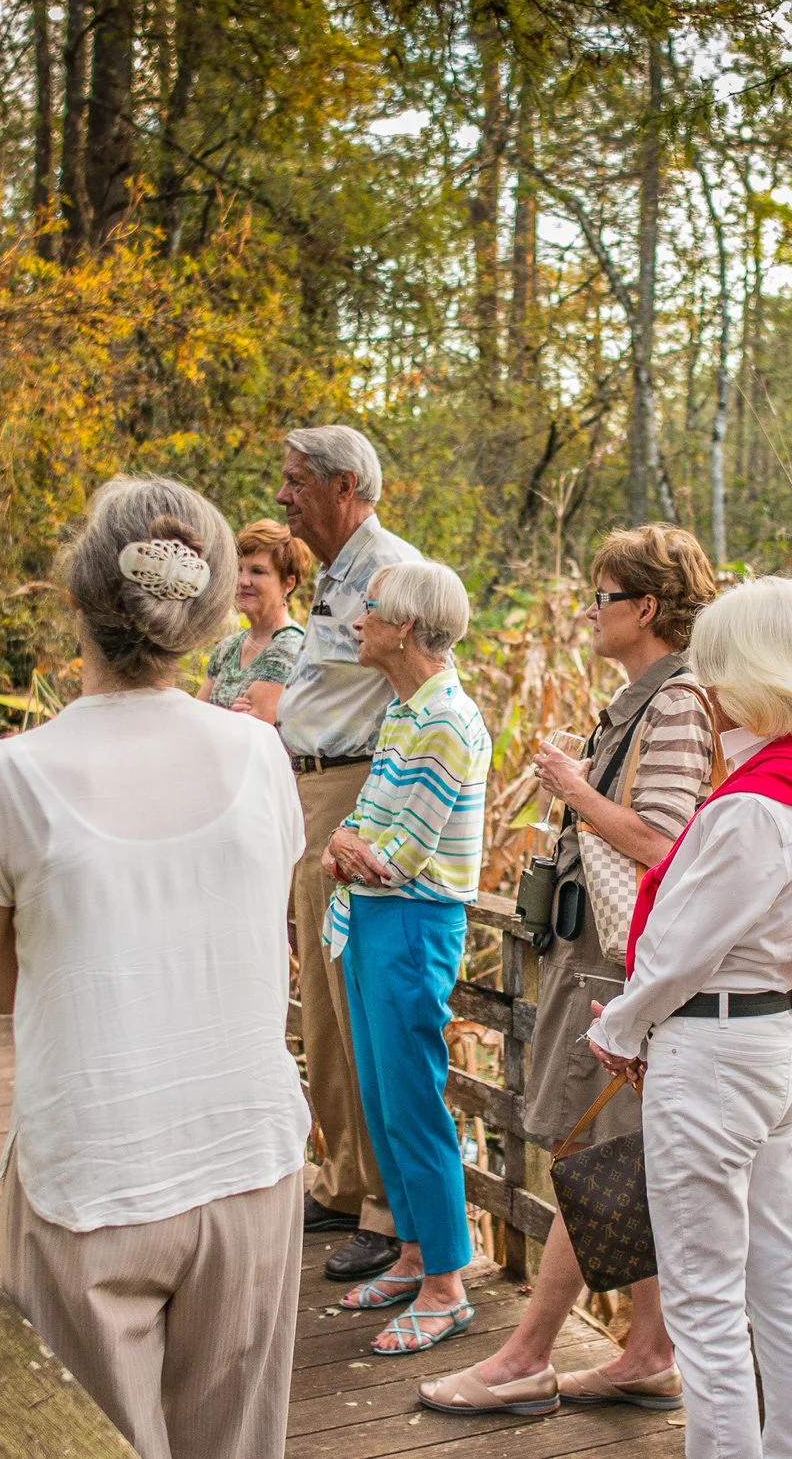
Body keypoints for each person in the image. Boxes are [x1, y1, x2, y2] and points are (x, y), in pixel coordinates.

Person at [0, 477, 306, 1459]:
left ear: (76, 594)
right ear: (207, 613)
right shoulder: (261, 756)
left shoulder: (2, 779)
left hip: (94, 1169)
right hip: (249, 1156)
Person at [422, 524, 717, 1418]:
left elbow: (663, 843)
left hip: (615, 969)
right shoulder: (642, 698)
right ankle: (649, 1351)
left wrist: (574, 790)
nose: (590, 612)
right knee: (613, 1153)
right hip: (594, 961)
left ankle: (524, 1356)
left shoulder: (676, 702)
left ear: (648, 607)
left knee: (593, 1152)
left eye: (602, 596)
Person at [587, 576, 792, 1459]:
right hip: (779, 1029)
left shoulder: (755, 805)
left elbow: (683, 949)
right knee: (777, 1271)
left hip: (714, 1047)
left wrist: (619, 1029)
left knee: (705, 1296)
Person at [324, 559, 491, 1355]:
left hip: (414, 923)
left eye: (372, 608)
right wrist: (349, 844)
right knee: (383, 1098)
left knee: (416, 1103)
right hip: (372, 922)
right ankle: (415, 1251)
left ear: (407, 626)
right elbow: (359, 829)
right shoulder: (402, 712)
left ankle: (447, 1286)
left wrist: (347, 847)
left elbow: (399, 854)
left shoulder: (446, 721)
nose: (358, 620)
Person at [274, 424, 420, 1280]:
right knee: (321, 1004)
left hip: (355, 791)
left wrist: (379, 812)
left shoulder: (391, 572)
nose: (284, 497)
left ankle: (384, 1203)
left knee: (354, 996)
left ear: (343, 487)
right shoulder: (335, 573)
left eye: (296, 483)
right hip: (310, 789)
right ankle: (339, 1179)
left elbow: (423, 689)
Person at [204, 518, 312, 722]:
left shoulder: (289, 648)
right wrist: (230, 717)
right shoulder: (227, 648)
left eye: (257, 571)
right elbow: (195, 719)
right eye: (239, 569)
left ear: (287, 584)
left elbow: (253, 736)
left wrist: (216, 716)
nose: (243, 581)